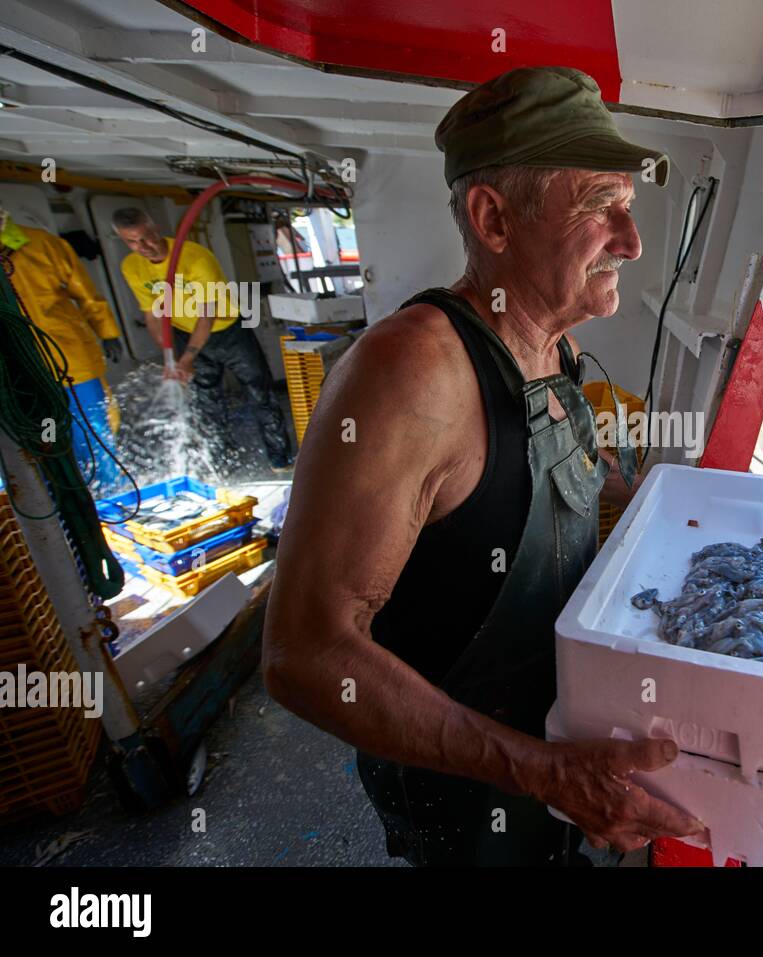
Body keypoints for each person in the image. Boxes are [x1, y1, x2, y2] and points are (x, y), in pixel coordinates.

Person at [264, 66, 701, 866]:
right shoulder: (408, 373)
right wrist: (539, 770)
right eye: (600, 207)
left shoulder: (555, 344)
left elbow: (556, 466)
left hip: (561, 760)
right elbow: (304, 652)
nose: (632, 242)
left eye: (627, 209)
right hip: (469, 800)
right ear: (494, 218)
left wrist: (665, 513)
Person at [112, 208, 293, 472]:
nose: (144, 246)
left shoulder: (195, 258)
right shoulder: (131, 267)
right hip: (185, 332)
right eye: (133, 241)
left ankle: (280, 459)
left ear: (155, 229)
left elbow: (206, 316)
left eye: (147, 237)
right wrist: (170, 358)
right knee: (206, 400)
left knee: (259, 391)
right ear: (124, 241)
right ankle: (222, 462)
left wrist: (186, 359)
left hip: (228, 330)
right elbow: (152, 314)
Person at [0, 207, 125, 493]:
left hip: (71, 358)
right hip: (19, 372)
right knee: (44, 436)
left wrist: (107, 332)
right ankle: (62, 501)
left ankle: (111, 496)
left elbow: (86, 294)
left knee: (93, 430)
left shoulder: (43, 244)